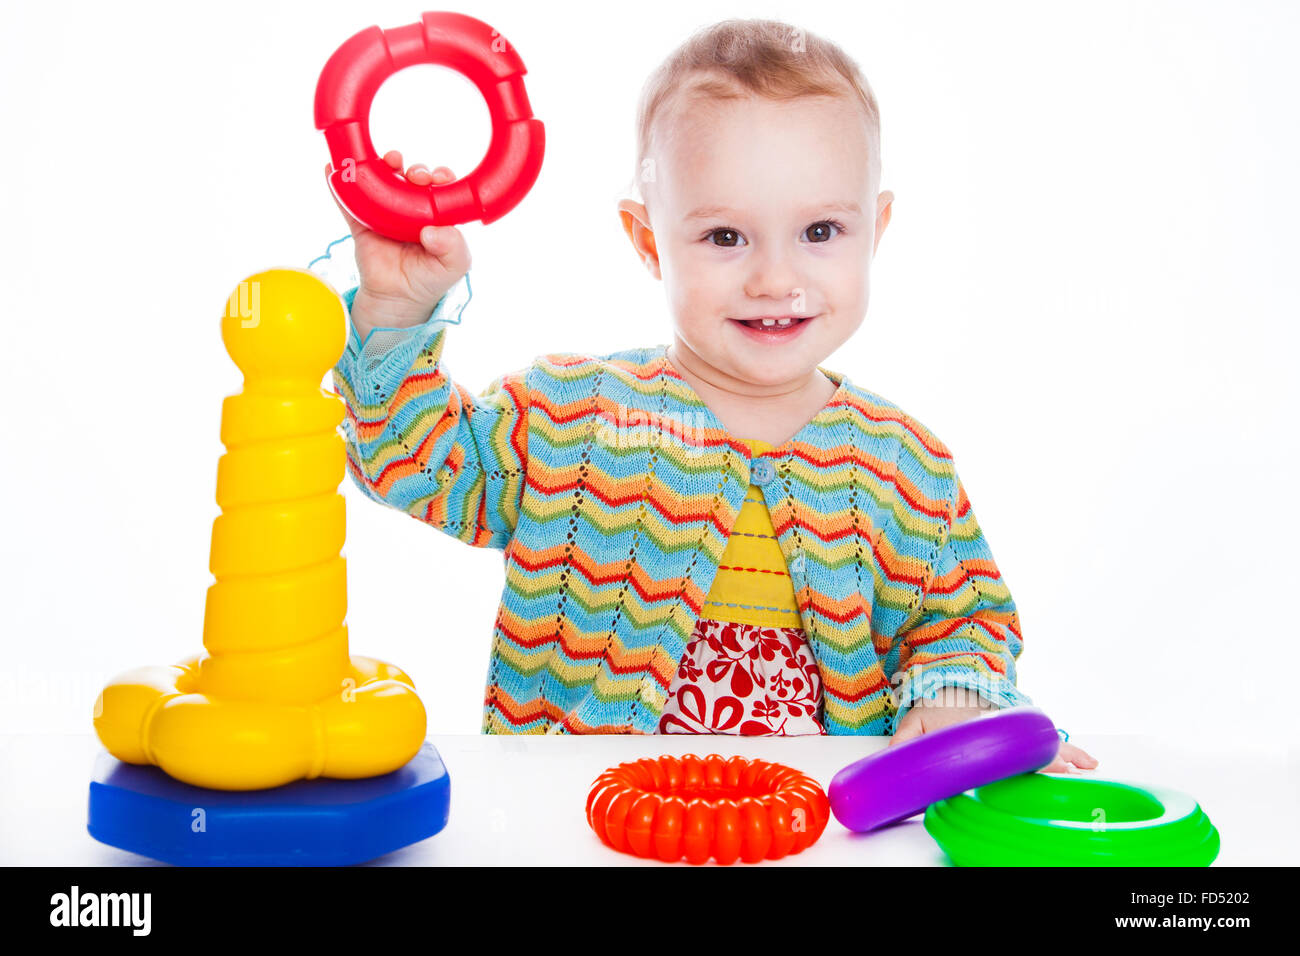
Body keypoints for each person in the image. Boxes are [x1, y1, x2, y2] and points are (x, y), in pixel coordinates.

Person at [322, 16, 1096, 770]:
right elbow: (414, 465)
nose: (776, 279)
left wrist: (958, 707)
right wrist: (394, 317)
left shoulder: (904, 464)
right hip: (588, 833)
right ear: (649, 241)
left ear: (877, 230)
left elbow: (962, 622)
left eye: (821, 231)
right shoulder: (573, 417)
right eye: (726, 237)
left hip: (816, 837)